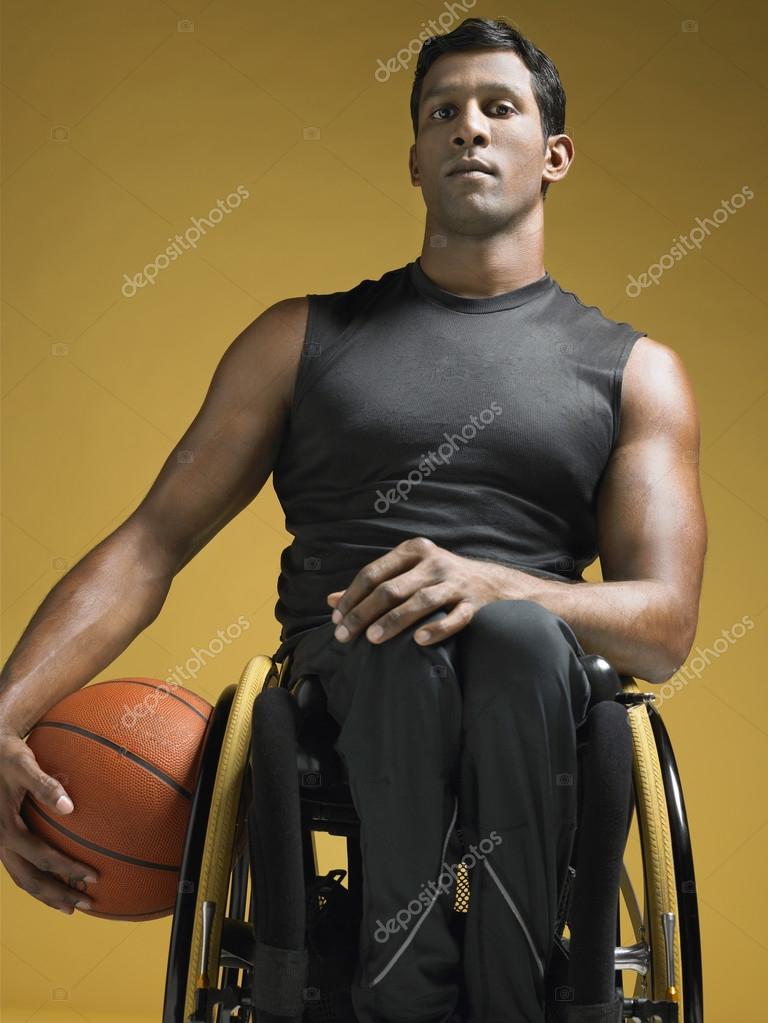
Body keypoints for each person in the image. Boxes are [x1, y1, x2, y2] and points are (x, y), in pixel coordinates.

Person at [0, 16, 706, 1023]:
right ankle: (407, 994)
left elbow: (668, 626)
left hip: (532, 672)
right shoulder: (300, 339)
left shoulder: (635, 372)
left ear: (553, 155)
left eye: (497, 108)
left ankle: (500, 995)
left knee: (508, 633)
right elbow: (151, 544)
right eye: (441, 112)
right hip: (352, 667)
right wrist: (5, 711)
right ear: (415, 158)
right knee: (397, 636)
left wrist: (496, 581)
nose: (468, 127)